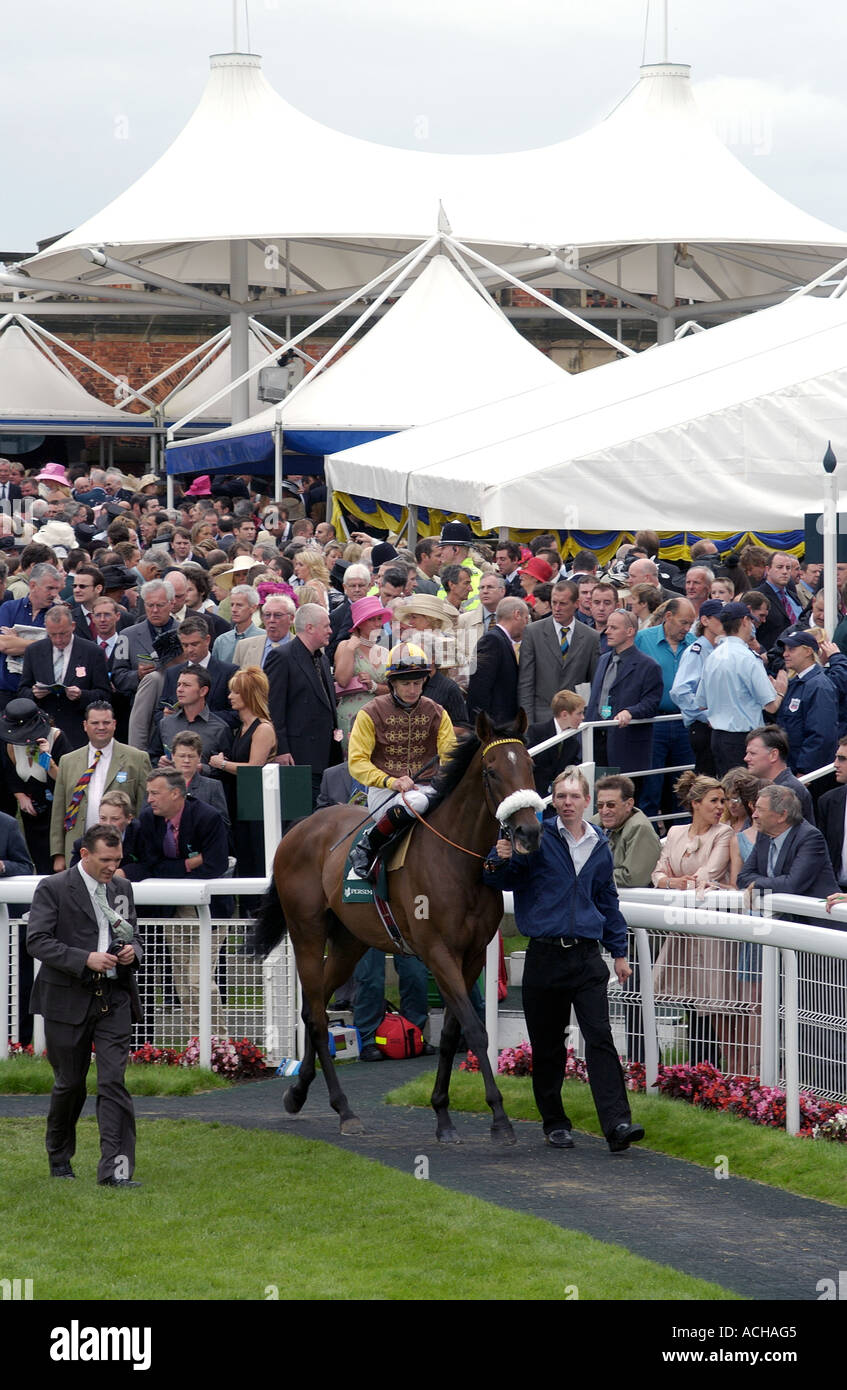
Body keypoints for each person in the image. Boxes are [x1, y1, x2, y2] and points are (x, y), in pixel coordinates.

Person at [483, 767, 644, 1153]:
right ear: (551, 801)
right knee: (549, 1045)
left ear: (586, 801)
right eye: (560, 797)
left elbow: (607, 900)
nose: (567, 803)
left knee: (601, 1039)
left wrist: (619, 951)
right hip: (544, 956)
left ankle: (617, 1124)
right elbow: (503, 880)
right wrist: (498, 857)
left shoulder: (599, 843)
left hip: (587, 958)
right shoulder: (535, 835)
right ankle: (554, 1123)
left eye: (574, 797)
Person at [27, 825, 142, 1185]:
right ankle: (59, 1158)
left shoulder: (122, 888)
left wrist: (129, 953)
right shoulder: (54, 887)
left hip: (115, 998)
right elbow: (37, 941)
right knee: (69, 1084)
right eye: (106, 860)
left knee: (113, 1083)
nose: (112, 867)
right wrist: (85, 959)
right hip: (66, 999)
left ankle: (116, 1172)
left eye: (118, 860)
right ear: (85, 855)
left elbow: (132, 935)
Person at [128, 769, 230, 1040]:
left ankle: (217, 1044)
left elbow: (215, 864)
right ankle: (196, 1043)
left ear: (175, 793)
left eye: (154, 793)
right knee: (183, 982)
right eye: (148, 793)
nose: (149, 799)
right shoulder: (148, 819)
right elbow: (150, 865)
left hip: (209, 910)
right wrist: (188, 863)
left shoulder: (208, 817)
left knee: (199, 980)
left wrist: (171, 868)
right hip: (173, 910)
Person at [348, 642, 456, 882]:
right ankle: (366, 846)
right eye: (406, 683)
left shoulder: (438, 712)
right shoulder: (370, 712)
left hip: (428, 787)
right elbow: (356, 763)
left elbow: (449, 757)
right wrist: (391, 781)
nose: (412, 689)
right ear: (392, 683)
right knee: (417, 801)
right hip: (383, 791)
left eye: (417, 683)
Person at [651, 772, 733, 1067]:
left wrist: (677, 882)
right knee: (687, 997)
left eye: (723, 801)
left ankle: (710, 1068)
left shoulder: (723, 833)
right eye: (714, 800)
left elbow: (707, 875)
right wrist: (671, 883)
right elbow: (657, 873)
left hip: (712, 930)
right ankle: (694, 1070)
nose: (721, 806)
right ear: (695, 803)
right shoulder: (674, 833)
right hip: (682, 928)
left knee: (712, 1002)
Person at [50, 701, 151, 871]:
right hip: (78, 851)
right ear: (85, 725)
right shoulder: (68, 761)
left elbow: (144, 808)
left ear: (114, 724)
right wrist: (58, 853)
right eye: (95, 723)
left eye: (106, 722)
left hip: (121, 854)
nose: (101, 727)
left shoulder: (138, 759)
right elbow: (59, 810)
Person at [695, 602, 787, 777]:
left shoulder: (713, 656)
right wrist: (781, 689)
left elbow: (701, 703)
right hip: (743, 739)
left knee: (729, 792)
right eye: (751, 622)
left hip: (718, 736)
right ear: (745, 621)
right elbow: (771, 706)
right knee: (746, 793)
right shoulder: (748, 658)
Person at [266, 603, 342, 808]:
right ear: (310, 628)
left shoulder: (322, 659)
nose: (330, 631)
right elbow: (273, 708)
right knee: (301, 816)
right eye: (326, 626)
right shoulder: (282, 657)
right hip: (298, 756)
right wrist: (280, 749)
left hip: (326, 756)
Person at [209, 667, 277, 879]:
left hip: (258, 808)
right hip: (242, 804)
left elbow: (254, 768)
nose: (229, 697)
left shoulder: (263, 728)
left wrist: (222, 764)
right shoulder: (243, 727)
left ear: (249, 694)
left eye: (235, 692)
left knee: (255, 861)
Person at [634, 597, 696, 820]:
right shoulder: (643, 639)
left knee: (685, 785)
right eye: (683, 622)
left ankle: (682, 841)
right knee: (652, 784)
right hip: (653, 722)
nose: (687, 628)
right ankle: (649, 839)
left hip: (685, 723)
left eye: (691, 623)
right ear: (668, 616)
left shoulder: (694, 642)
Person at [584, 608, 663, 774]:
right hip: (597, 740)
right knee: (598, 794)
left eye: (614, 628)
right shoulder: (604, 659)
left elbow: (651, 703)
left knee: (624, 795)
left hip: (625, 743)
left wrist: (630, 712)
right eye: (607, 627)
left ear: (630, 631)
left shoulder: (648, 666)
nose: (607, 631)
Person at [0, 698, 71, 874]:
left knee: (59, 866)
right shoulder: (11, 743)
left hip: (57, 811)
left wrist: (46, 757)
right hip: (32, 813)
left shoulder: (57, 737)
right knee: (39, 863)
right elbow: (11, 775)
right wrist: (20, 796)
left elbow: (66, 780)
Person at [669, 599, 725, 776]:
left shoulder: (722, 649)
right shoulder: (697, 651)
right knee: (706, 781)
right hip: (705, 727)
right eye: (720, 618)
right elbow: (680, 690)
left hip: (719, 727)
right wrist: (706, 716)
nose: (725, 623)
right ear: (705, 621)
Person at [332, 596, 392, 751]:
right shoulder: (345, 646)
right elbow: (342, 680)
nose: (378, 624)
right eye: (372, 619)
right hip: (352, 718)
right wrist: (351, 649)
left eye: (379, 619)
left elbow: (394, 690)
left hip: (380, 716)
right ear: (360, 623)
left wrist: (373, 686)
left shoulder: (384, 652)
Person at [777, 631, 838, 775]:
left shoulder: (819, 685)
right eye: (784, 649)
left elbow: (821, 734)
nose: (785, 654)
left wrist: (806, 770)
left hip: (808, 773)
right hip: (791, 765)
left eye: (791, 649)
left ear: (808, 651)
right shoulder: (796, 683)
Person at [148, 665, 232, 769]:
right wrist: (158, 762)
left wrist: (203, 769)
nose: (179, 689)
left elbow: (227, 774)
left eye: (186, 685)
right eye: (178, 685)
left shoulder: (220, 729)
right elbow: (151, 758)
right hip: (171, 783)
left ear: (203, 691)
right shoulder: (165, 723)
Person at [466, 596, 530, 725]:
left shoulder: (500, 639)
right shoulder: (492, 641)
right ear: (517, 614)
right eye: (526, 618)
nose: (526, 623)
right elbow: (479, 688)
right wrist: (482, 728)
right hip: (494, 727)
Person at [593, 774, 661, 889]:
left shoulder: (640, 828)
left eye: (611, 805)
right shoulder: (594, 823)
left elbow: (634, 878)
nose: (604, 811)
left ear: (629, 804)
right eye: (600, 805)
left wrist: (591, 875)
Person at [743, 726, 815, 825]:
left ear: (773, 755)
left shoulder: (790, 790)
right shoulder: (763, 787)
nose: (746, 758)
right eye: (747, 753)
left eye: (752, 753)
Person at [525, 689, 586, 797]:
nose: (583, 717)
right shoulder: (536, 732)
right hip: (535, 796)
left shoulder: (573, 743)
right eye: (579, 713)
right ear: (564, 714)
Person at [818, 736, 847, 885]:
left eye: (842, 759)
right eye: (836, 758)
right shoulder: (827, 802)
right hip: (834, 891)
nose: (835, 764)